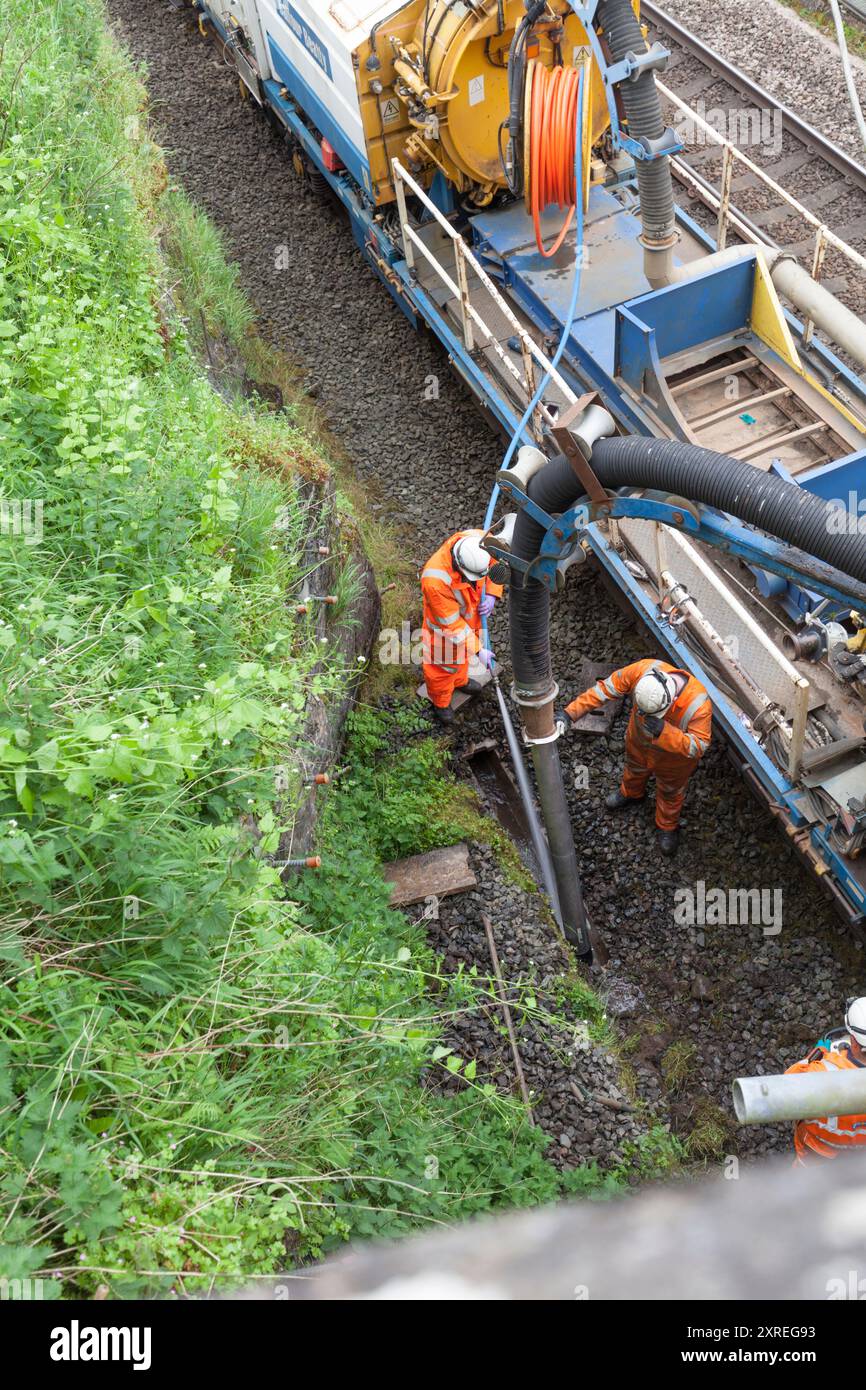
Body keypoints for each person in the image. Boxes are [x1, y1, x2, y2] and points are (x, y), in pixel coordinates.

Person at [557, 658, 712, 855]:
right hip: (638, 743)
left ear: (672, 701)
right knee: (634, 770)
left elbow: (699, 745)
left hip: (673, 761)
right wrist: (569, 714)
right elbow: (603, 690)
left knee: (670, 792)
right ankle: (631, 793)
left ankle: (667, 825)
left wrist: (665, 733)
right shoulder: (641, 671)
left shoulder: (697, 704)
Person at [420, 529, 505, 725]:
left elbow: (496, 563)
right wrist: (478, 649)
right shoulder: (434, 580)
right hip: (443, 632)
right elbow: (452, 626)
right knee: (443, 666)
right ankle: (441, 702)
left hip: (468, 622)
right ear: (459, 567)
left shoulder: (480, 541)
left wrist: (492, 592)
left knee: (462, 657)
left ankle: (460, 681)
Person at [785, 997, 866, 1163]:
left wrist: (819, 1051)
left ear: (854, 1042)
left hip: (818, 1153)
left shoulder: (823, 1070)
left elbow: (785, 1086)